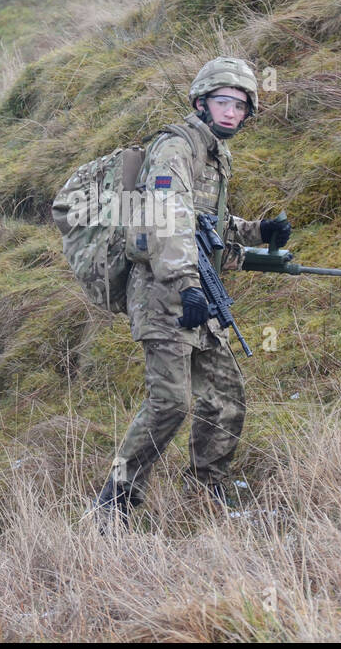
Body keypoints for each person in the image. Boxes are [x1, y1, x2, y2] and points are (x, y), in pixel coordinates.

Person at [94, 57, 291, 532]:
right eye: (223, 102)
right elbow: (167, 220)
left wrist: (256, 231)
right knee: (170, 403)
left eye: (240, 106)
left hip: (197, 290)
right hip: (164, 294)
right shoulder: (174, 148)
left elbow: (207, 228)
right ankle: (113, 505)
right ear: (201, 103)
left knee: (225, 395)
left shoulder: (214, 156)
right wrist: (186, 286)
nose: (232, 112)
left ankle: (207, 493)